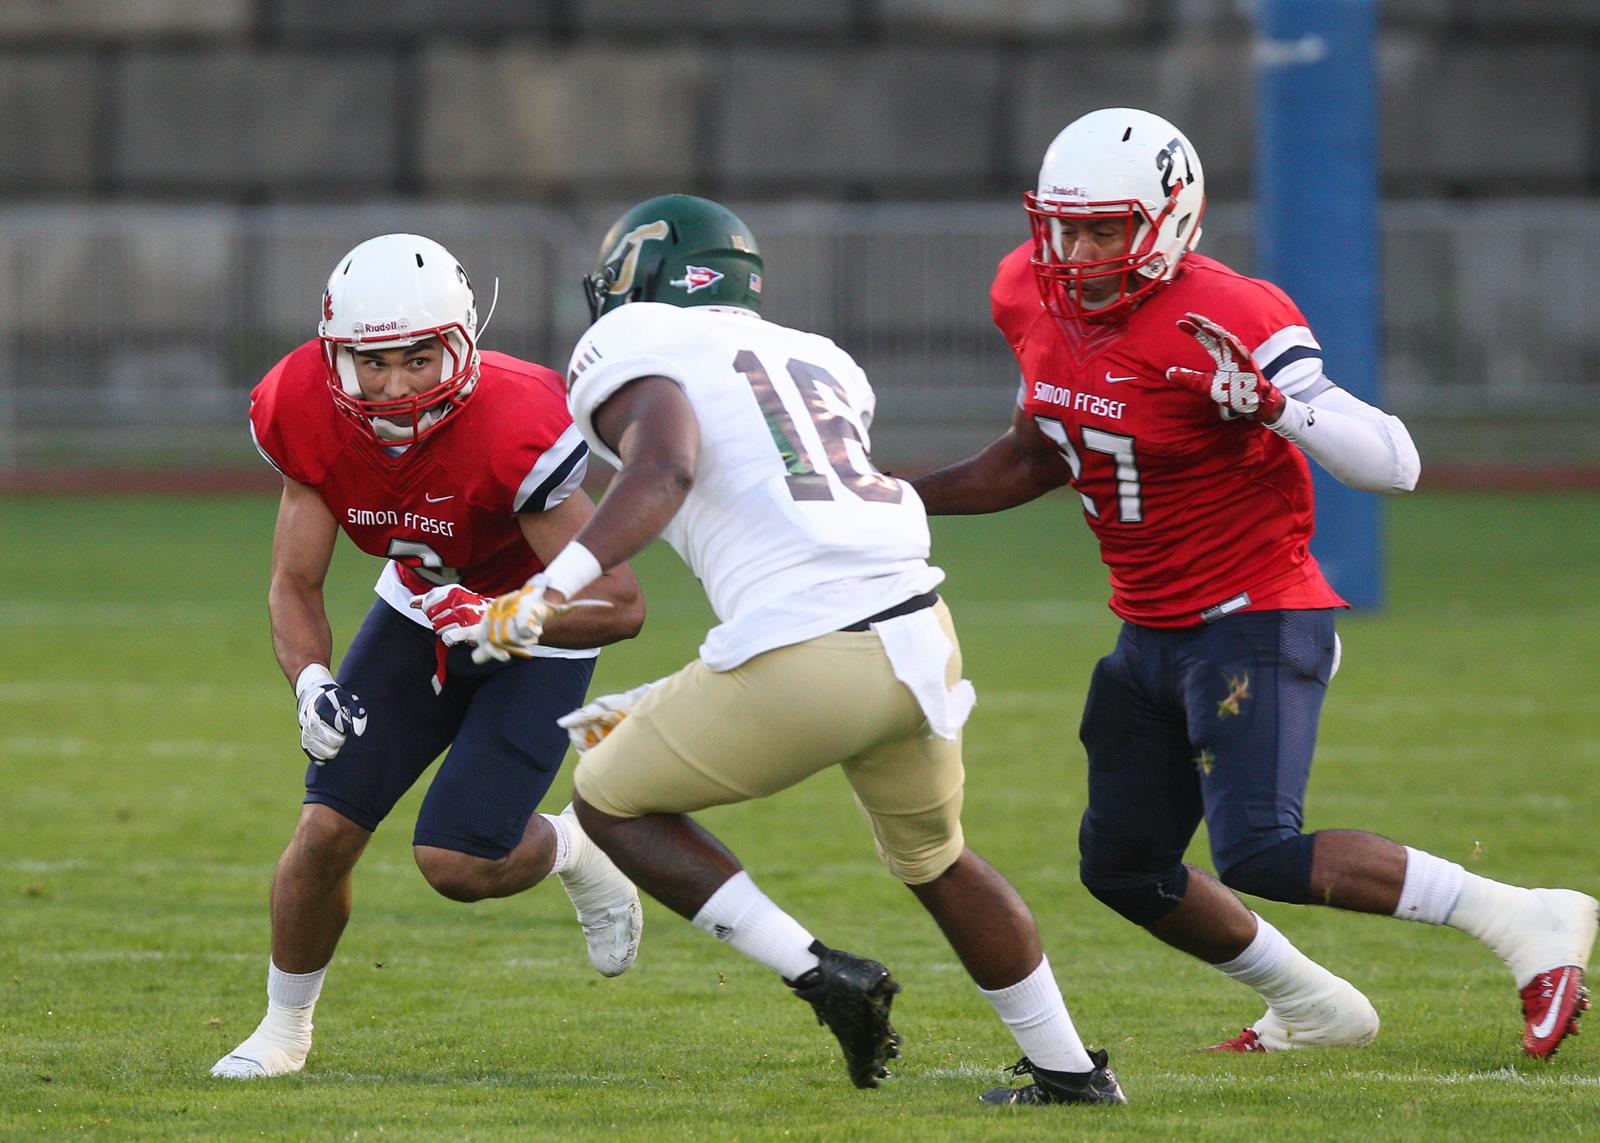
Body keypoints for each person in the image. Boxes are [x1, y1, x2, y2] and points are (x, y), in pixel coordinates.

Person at [910, 107, 1598, 1058]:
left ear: (1171, 217)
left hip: (1257, 614)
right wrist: (892, 498)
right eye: (1063, 225)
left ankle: (1525, 917)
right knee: (1124, 866)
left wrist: (1276, 406)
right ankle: (1313, 1005)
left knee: (1261, 849)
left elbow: (1395, 462)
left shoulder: (1230, 312)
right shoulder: (1028, 291)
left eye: (1103, 227)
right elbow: (1036, 456)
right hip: (1150, 625)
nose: (1075, 250)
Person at [474, 194, 1126, 1105]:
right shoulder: (822, 357)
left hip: (810, 653)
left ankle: (822, 975)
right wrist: (669, 694)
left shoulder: (633, 342)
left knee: (607, 799)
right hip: (919, 637)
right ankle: (1070, 1072)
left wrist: (547, 590)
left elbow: (666, 468)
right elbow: (802, 533)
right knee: (938, 860)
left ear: (646, 275)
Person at [211, 234, 647, 1079]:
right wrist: (310, 681)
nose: (396, 385)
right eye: (372, 362)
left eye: (418, 357)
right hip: (419, 604)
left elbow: (620, 603)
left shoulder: (519, 418)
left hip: (536, 617)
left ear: (461, 343)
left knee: (457, 861)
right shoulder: (302, 405)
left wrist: (496, 617)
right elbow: (295, 585)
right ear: (337, 354)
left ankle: (573, 846)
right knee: (324, 829)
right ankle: (283, 1030)